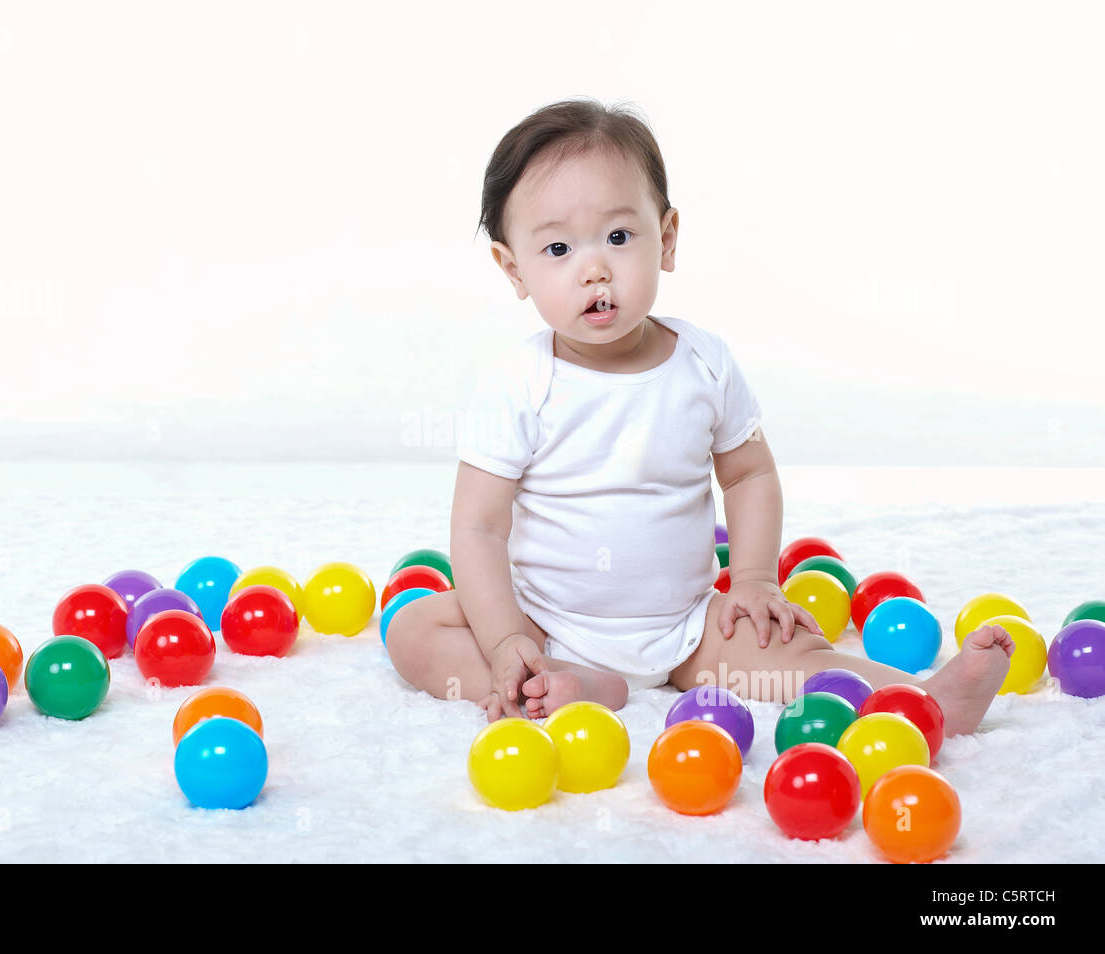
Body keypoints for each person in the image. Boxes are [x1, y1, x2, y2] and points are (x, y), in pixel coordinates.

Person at [386, 98, 1013, 733]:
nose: (594, 268)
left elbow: (748, 476)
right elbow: (479, 530)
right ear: (513, 268)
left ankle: (928, 696)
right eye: (557, 248)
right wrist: (501, 644)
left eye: (619, 237)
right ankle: (556, 680)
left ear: (668, 239)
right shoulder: (518, 382)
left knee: (787, 652)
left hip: (687, 630)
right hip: (544, 618)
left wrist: (753, 580)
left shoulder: (704, 364)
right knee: (416, 629)